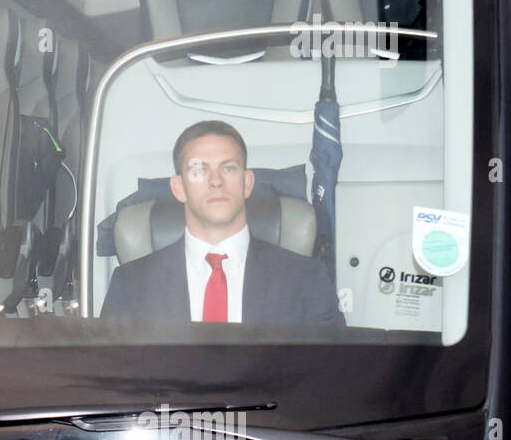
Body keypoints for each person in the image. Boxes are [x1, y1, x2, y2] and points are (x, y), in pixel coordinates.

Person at [101, 120, 345, 327]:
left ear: (247, 183)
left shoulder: (306, 279)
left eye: (228, 168)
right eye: (199, 170)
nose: (216, 181)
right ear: (178, 188)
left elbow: (329, 376)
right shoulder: (130, 285)